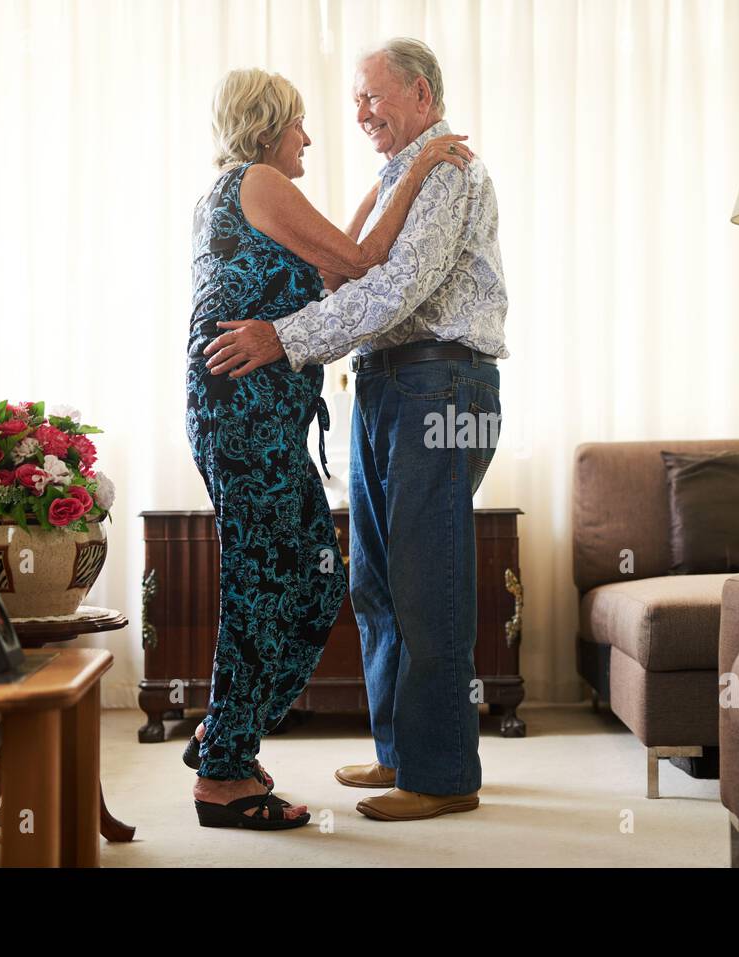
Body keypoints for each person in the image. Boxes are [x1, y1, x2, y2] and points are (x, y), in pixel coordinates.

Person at [204, 39, 508, 822]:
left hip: (439, 381)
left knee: (425, 577)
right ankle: (399, 751)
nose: (360, 113)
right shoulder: (400, 176)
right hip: (388, 382)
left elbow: (394, 288)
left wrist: (283, 336)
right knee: (376, 580)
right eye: (353, 102)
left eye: (373, 97)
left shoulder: (447, 171)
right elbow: (349, 266)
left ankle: (441, 776)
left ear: (420, 93)